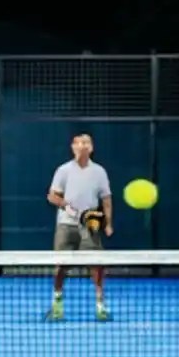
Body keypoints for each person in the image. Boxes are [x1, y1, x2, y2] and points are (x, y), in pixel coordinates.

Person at [46, 134, 113, 321]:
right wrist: (70, 209)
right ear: (73, 147)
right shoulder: (63, 170)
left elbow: (106, 199)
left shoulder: (99, 172)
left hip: (90, 226)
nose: (82, 146)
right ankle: (57, 304)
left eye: (86, 143)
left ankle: (101, 305)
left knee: (97, 266)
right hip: (65, 225)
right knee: (60, 266)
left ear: (91, 148)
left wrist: (108, 223)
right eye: (78, 143)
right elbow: (52, 196)